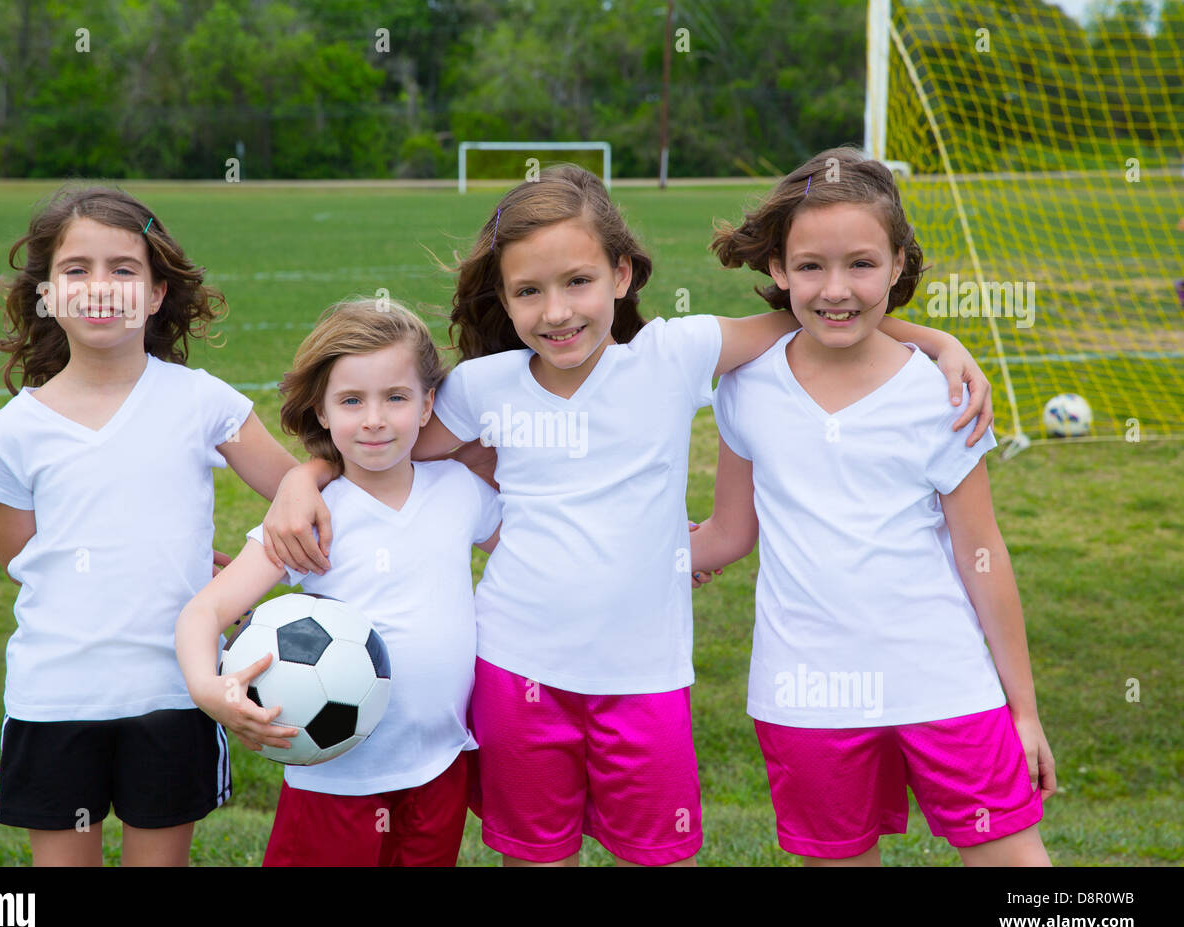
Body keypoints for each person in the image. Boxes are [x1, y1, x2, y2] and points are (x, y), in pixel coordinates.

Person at [260, 165, 993, 866]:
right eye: (529, 291)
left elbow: (820, 319)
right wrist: (308, 476)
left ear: (622, 274)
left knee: (659, 852)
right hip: (518, 674)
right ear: (506, 300)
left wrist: (937, 340)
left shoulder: (674, 355)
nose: (557, 311)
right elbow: (387, 444)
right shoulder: (484, 388)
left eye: (578, 281)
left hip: (646, 681)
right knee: (537, 856)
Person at [690, 147, 1056, 866]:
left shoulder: (941, 393)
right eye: (810, 267)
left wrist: (1023, 710)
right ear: (776, 270)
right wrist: (632, 557)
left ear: (897, 265)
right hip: (804, 696)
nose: (836, 289)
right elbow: (730, 533)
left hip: (945, 684)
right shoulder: (745, 385)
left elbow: (981, 554)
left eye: (861, 264)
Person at [0, 186, 303, 866]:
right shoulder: (12, 432)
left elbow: (292, 486)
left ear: (155, 295)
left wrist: (236, 581)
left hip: (173, 692)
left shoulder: (202, 401)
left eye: (124, 269)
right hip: (55, 694)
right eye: (76, 269)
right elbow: (19, 556)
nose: (101, 287)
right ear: (47, 293)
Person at [176, 298, 501, 866]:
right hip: (334, 778)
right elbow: (202, 614)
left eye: (395, 397)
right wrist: (210, 690)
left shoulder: (459, 488)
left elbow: (534, 552)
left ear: (427, 404)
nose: (374, 418)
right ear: (322, 412)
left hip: (440, 765)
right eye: (351, 400)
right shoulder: (311, 517)